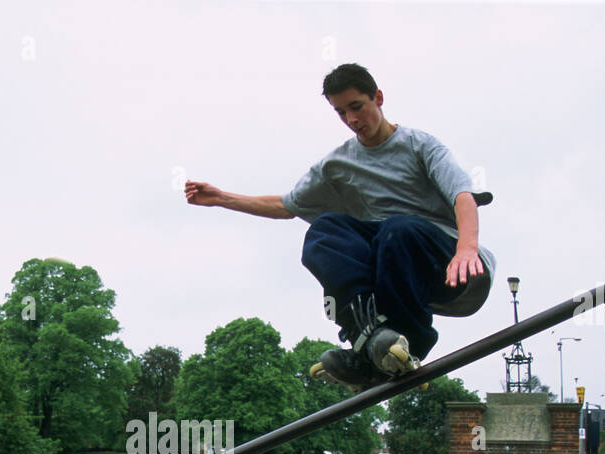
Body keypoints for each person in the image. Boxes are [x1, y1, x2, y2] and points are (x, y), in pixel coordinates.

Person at [185, 63, 495, 390]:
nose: (352, 120)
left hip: (451, 267)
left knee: (397, 229)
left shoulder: (420, 145)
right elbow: (286, 205)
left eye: (357, 107)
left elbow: (463, 195)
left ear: (378, 97)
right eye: (341, 113)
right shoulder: (337, 163)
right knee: (325, 230)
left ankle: (410, 341)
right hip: (393, 265)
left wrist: (467, 247)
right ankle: (369, 343)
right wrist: (221, 197)